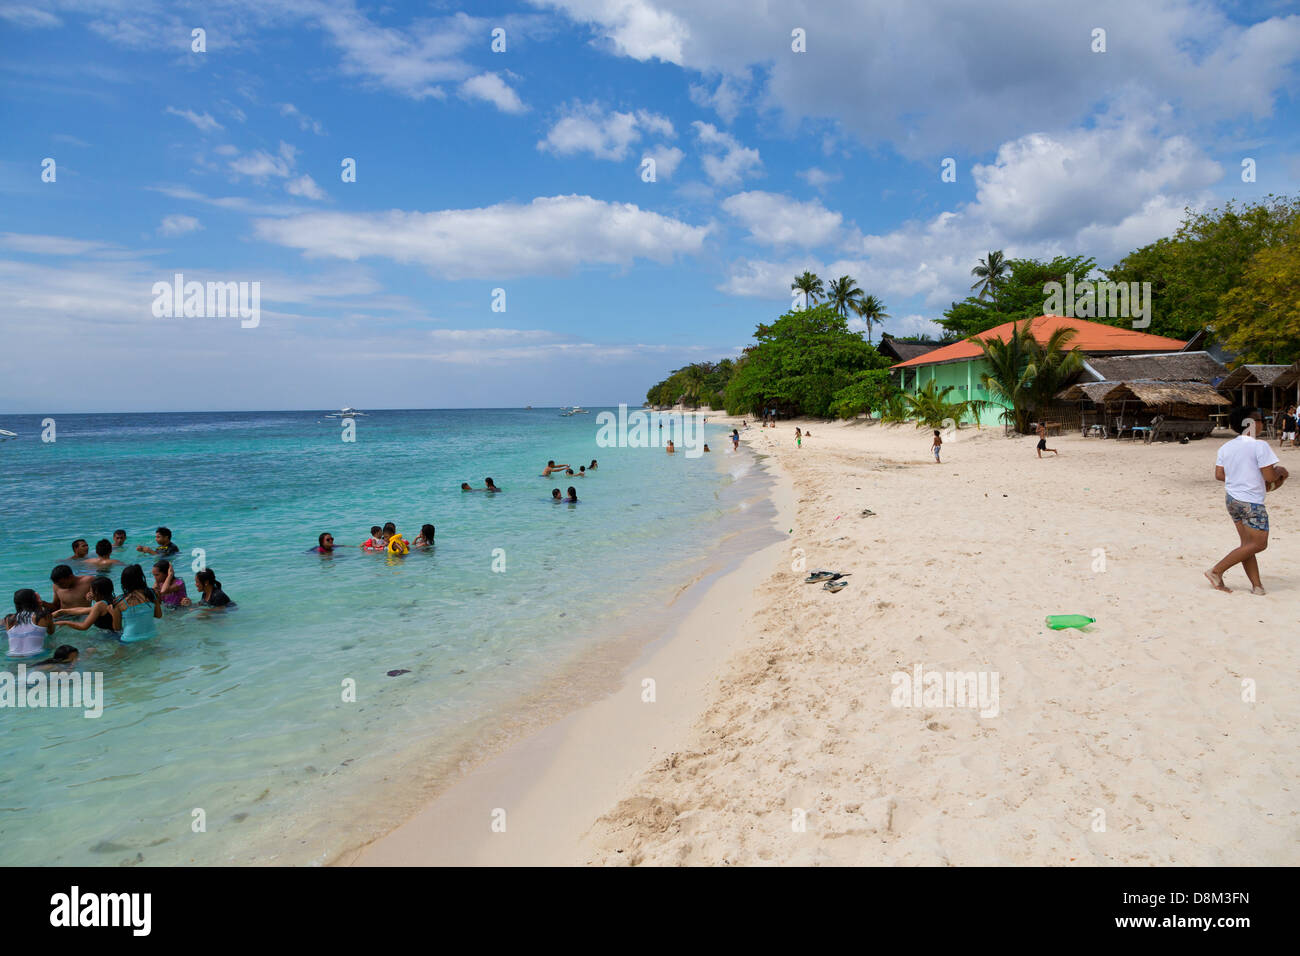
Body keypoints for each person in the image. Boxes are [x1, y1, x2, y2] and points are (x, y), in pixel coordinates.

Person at [1206, 410, 1288, 594]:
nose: (1263, 424)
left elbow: (1219, 475)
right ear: (1251, 423)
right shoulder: (1259, 445)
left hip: (1232, 499)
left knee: (1246, 545)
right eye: (1261, 420)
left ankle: (1257, 586)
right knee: (1260, 544)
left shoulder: (1226, 447)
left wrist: (1240, 477)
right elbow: (1269, 476)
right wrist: (1281, 472)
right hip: (1251, 501)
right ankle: (1216, 571)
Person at [54, 576, 118, 634]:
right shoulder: (112, 600)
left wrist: (65, 622)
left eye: (91, 590)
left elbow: (83, 626)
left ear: (96, 592)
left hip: (106, 636)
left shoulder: (99, 605)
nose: (90, 593)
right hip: (113, 634)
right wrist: (62, 611)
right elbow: (83, 610)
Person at [115, 564, 162, 642]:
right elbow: (158, 615)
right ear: (141, 578)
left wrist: (112, 612)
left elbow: (117, 628)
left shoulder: (119, 601)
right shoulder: (152, 594)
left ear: (124, 581)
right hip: (151, 636)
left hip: (129, 639)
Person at [6, 589, 54, 658]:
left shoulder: (9, 619)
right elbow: (51, 632)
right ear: (34, 601)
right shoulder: (45, 616)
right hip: (35, 657)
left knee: (21, 668)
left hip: (14, 658)